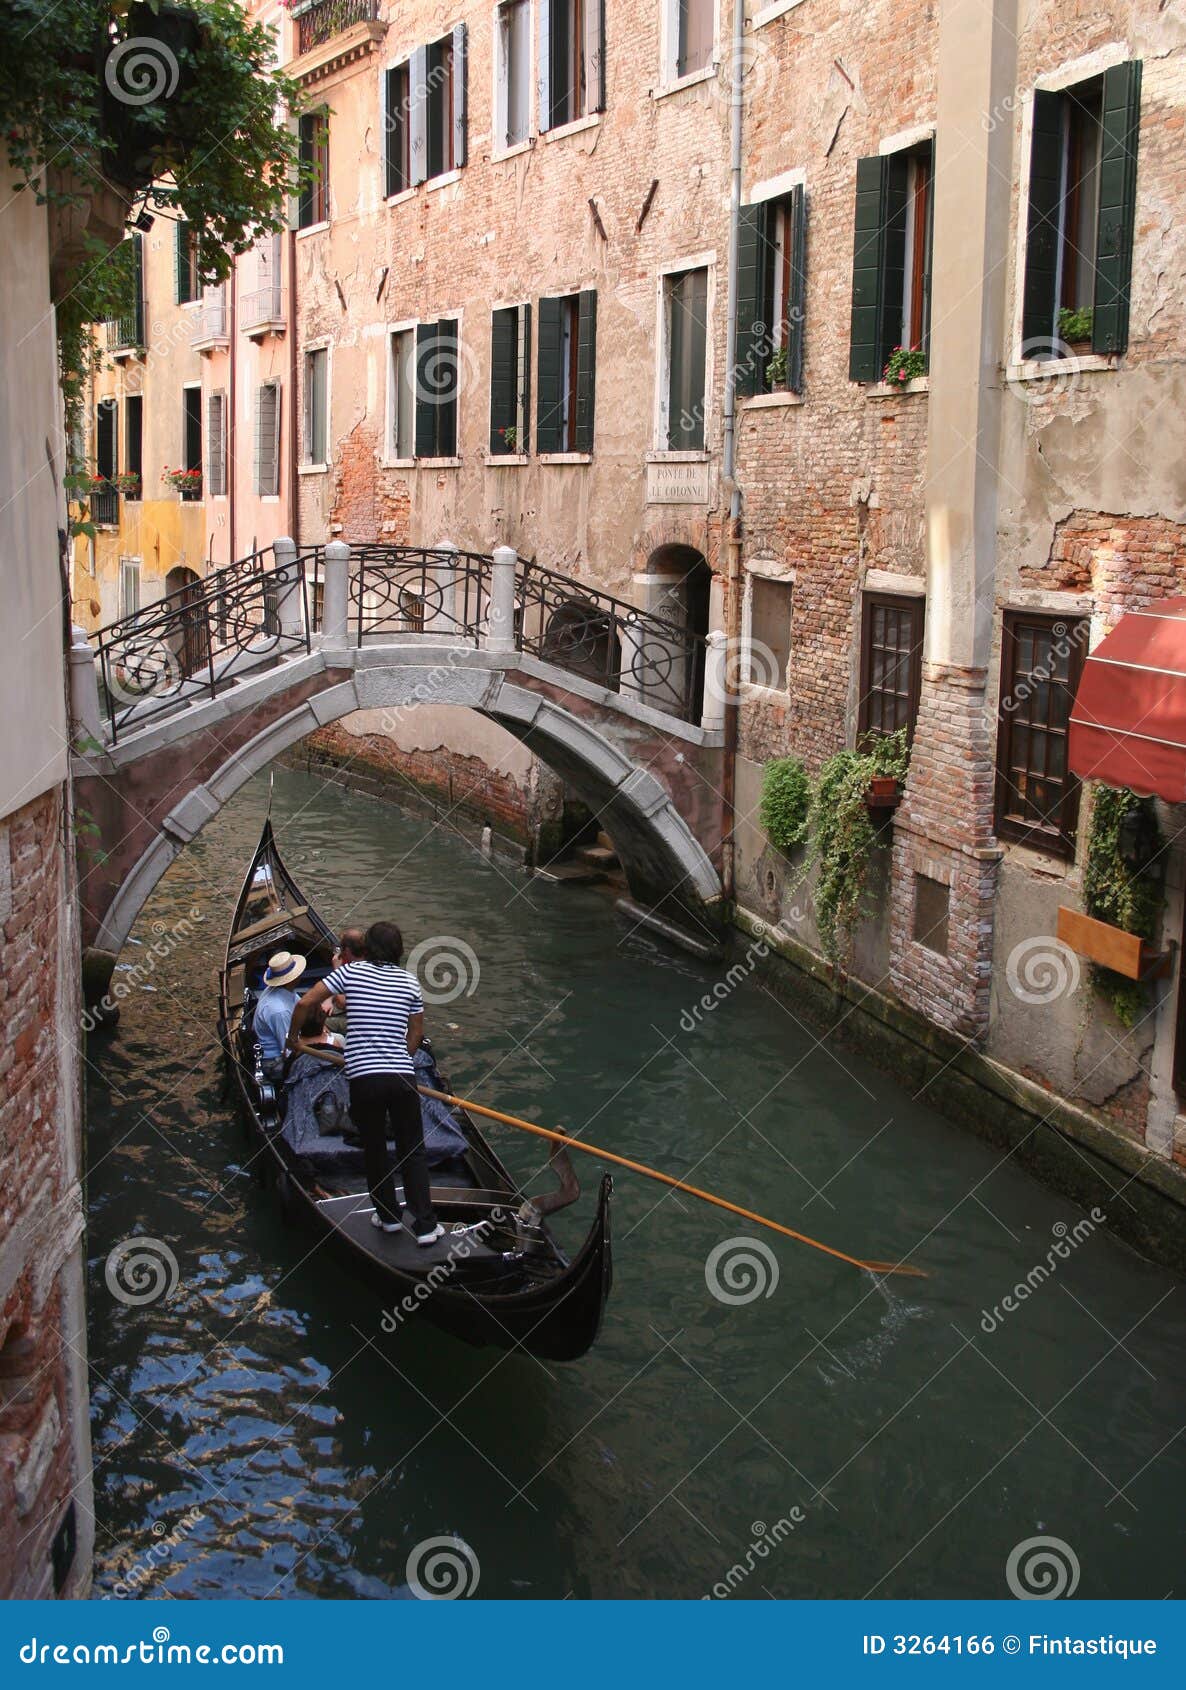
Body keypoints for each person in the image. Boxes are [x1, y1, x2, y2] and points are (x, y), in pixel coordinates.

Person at [286, 921, 443, 1245]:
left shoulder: (350, 974)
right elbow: (415, 1034)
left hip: (363, 1079)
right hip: (401, 1077)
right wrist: (401, 1057)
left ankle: (388, 1217)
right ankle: (426, 1227)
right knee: (412, 1150)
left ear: (368, 949)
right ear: (398, 950)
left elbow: (304, 1004)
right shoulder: (409, 982)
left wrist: (292, 1040)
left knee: (374, 1149)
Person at [254, 951, 306, 1079]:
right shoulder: (279, 1011)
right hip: (274, 1061)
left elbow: (301, 1005)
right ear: (292, 979)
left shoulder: (283, 991)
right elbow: (289, 1051)